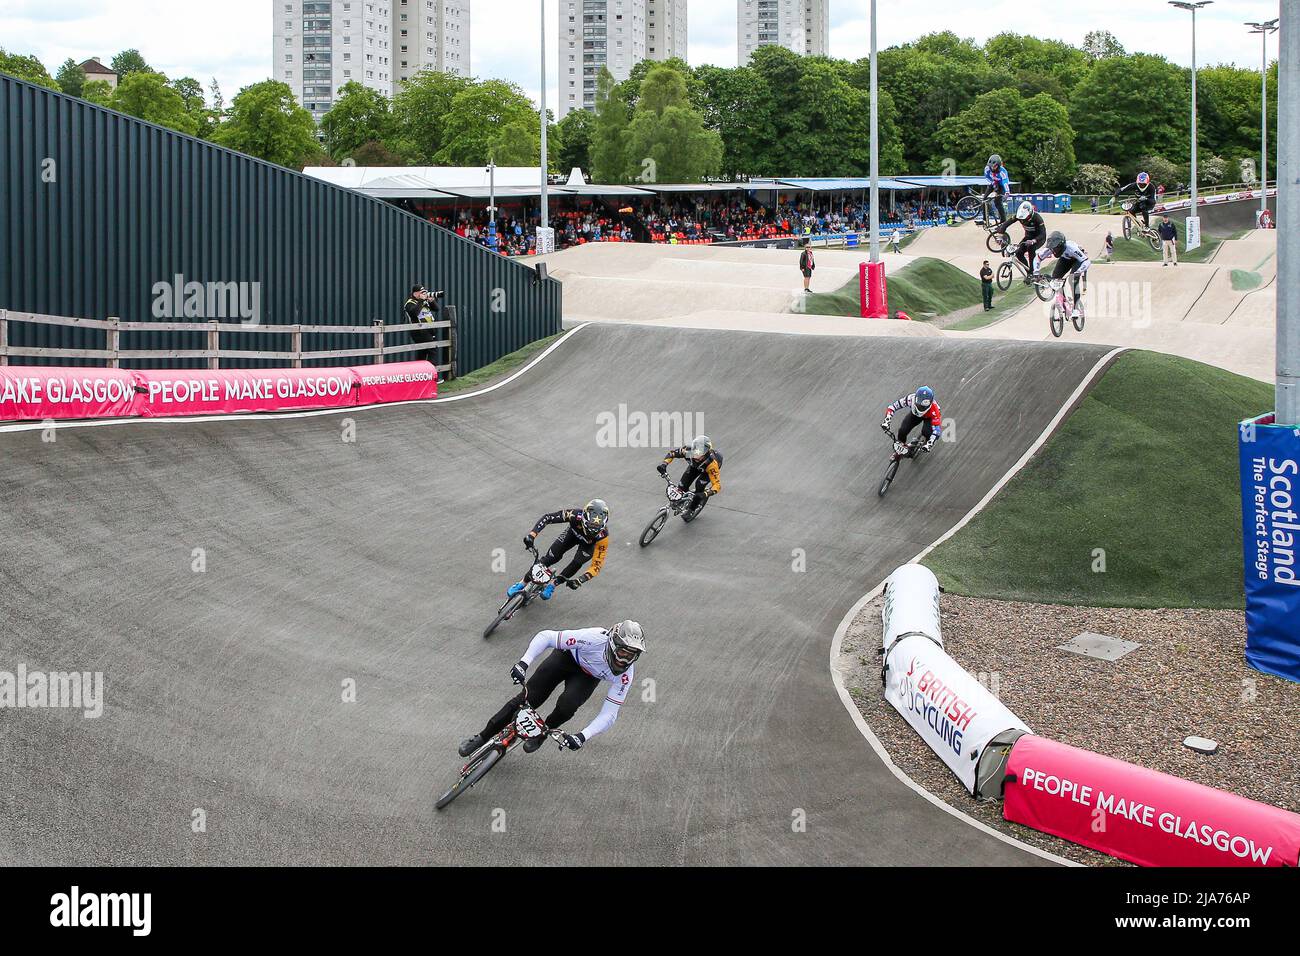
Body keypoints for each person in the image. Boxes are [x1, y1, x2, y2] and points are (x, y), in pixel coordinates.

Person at [457, 621, 646, 757]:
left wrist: (582, 736)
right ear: (613, 644)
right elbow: (547, 636)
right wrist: (523, 663)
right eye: (623, 652)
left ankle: (543, 734)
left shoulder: (625, 675)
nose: (625, 660)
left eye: (632, 656)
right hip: (566, 659)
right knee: (527, 698)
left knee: (567, 706)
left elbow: (610, 714)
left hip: (588, 677)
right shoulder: (592, 639)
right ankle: (482, 737)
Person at [509, 500, 610, 601]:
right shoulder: (574, 515)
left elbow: (596, 566)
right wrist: (531, 535)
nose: (590, 534)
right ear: (583, 518)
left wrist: (580, 580)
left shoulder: (603, 538)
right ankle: (522, 583)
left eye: (596, 532)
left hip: (588, 546)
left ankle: (553, 584)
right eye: (588, 529)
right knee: (551, 557)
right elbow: (548, 518)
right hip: (571, 535)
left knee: (577, 563)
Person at [657, 435, 722, 519]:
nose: (696, 457)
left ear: (707, 453)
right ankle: (685, 500)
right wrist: (664, 465)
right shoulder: (687, 451)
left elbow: (717, 485)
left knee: (699, 485)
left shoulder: (712, 464)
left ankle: (692, 509)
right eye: (695, 453)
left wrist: (705, 494)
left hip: (707, 470)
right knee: (682, 486)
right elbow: (671, 454)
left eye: (700, 455)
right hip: (694, 467)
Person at [1037, 231, 1091, 322]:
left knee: (1073, 280)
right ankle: (1063, 301)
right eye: (1053, 249)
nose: (1054, 251)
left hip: (1078, 260)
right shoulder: (1052, 248)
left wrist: (1078, 272)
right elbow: (1038, 257)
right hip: (1065, 259)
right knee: (1055, 278)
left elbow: (1087, 261)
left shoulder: (1072, 248)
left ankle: (1076, 309)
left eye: (1056, 249)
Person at [880, 386, 943, 456]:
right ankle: (900, 446)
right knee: (902, 431)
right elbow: (893, 407)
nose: (921, 408)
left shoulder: (935, 410)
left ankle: (926, 442)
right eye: (919, 405)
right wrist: (887, 421)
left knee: (927, 432)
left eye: (923, 407)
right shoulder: (910, 399)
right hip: (915, 415)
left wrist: (929, 443)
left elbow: (937, 430)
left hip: (929, 418)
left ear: (930, 404)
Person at [995, 200, 1046, 284]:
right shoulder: (1019, 216)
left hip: (1039, 238)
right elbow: (1006, 224)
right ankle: (1029, 273)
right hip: (1028, 237)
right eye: (1021, 219)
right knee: (1018, 252)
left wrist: (1034, 240)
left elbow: (1043, 234)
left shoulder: (1037, 218)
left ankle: (1033, 272)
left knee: (1031, 248)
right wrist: (1000, 235)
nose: (1023, 220)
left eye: (1025, 218)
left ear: (1030, 214)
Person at [984, 154, 1012, 222]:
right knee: (984, 200)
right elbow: (987, 177)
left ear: (999, 165)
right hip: (992, 183)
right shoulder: (987, 168)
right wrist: (993, 183)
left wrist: (1007, 192)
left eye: (995, 166)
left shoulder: (1003, 172)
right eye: (991, 166)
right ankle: (984, 219)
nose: (993, 168)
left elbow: (1005, 182)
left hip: (1001, 186)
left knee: (997, 202)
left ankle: (1003, 220)